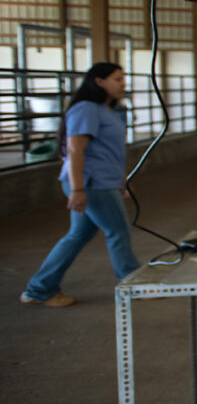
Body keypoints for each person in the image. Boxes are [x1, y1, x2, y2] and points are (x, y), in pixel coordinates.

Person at [21, 62, 139, 308]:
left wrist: (121, 179)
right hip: (92, 184)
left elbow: (108, 151)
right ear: (99, 81)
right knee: (118, 232)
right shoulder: (87, 109)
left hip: (101, 181)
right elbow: (75, 149)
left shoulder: (105, 109)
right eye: (117, 79)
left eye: (122, 78)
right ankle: (134, 284)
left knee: (78, 235)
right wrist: (77, 189)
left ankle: (40, 288)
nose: (123, 83)